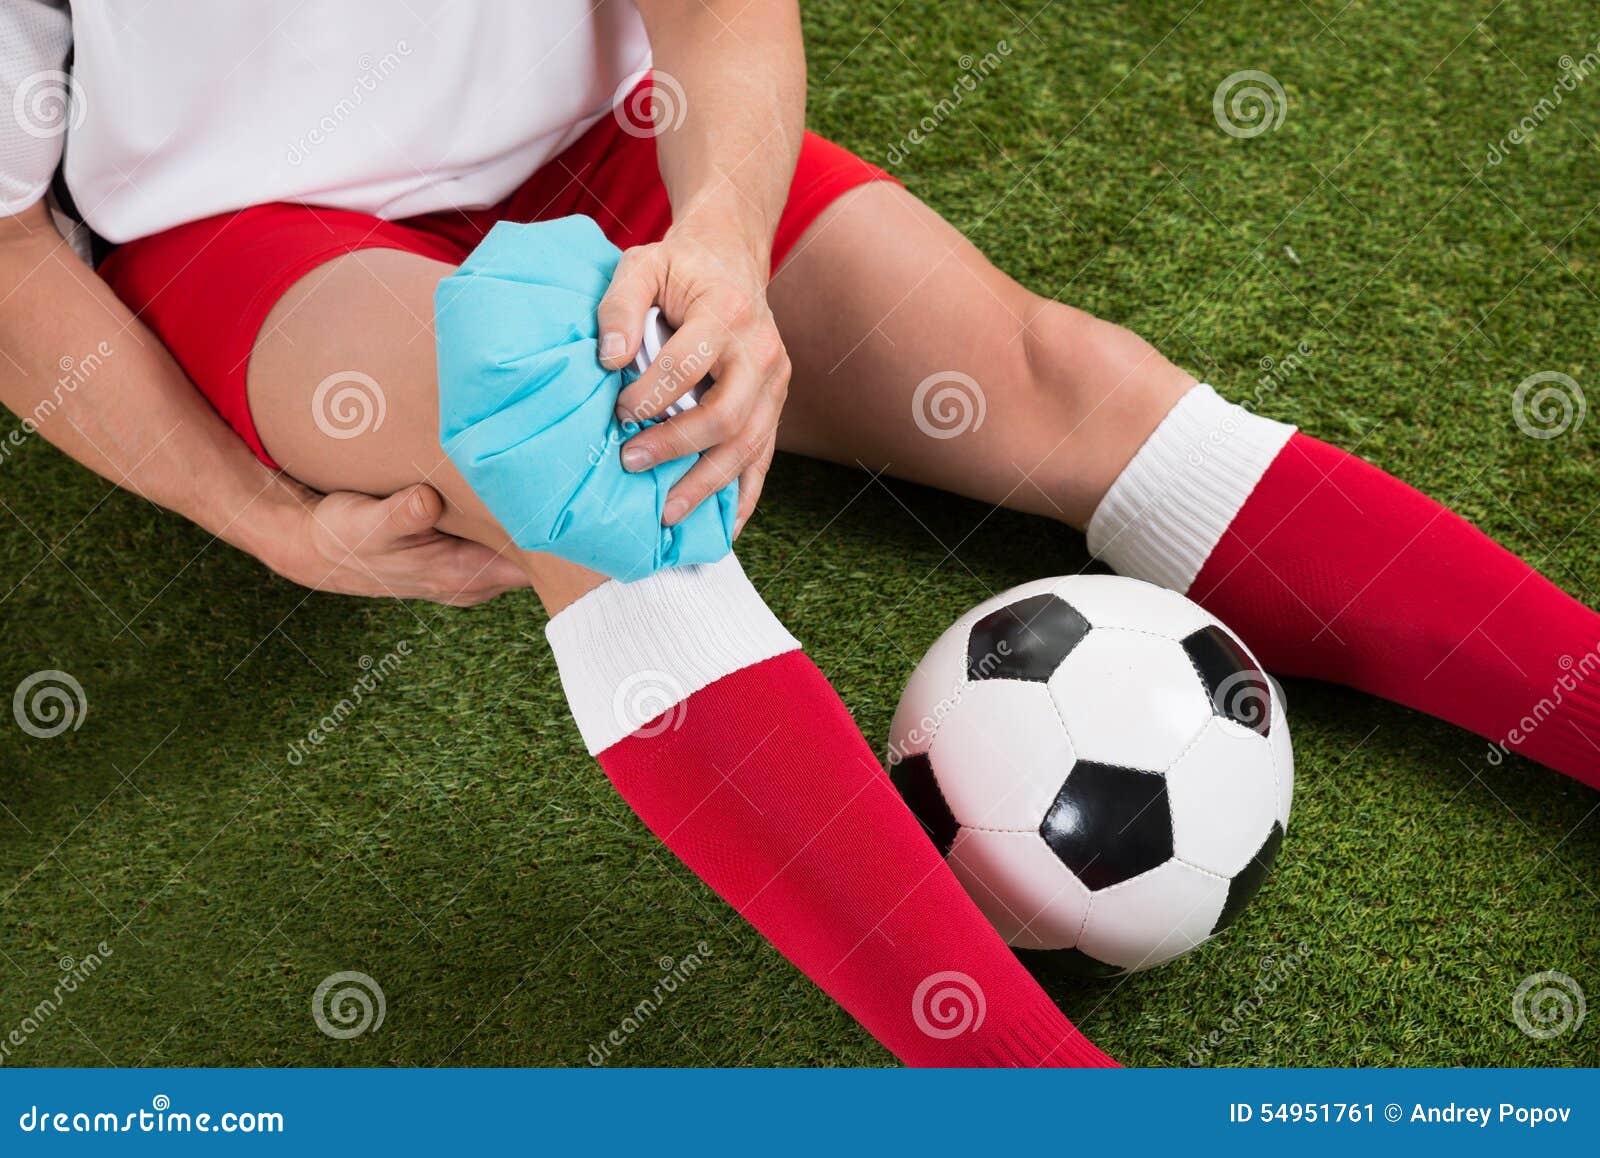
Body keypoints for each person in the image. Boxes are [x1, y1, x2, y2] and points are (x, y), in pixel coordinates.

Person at [2, 0, 1594, 1065]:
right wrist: (257, 514)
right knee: (596, 467)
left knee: (1064, 379)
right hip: (249, 225)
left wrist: (723, 237)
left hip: (607, 136)